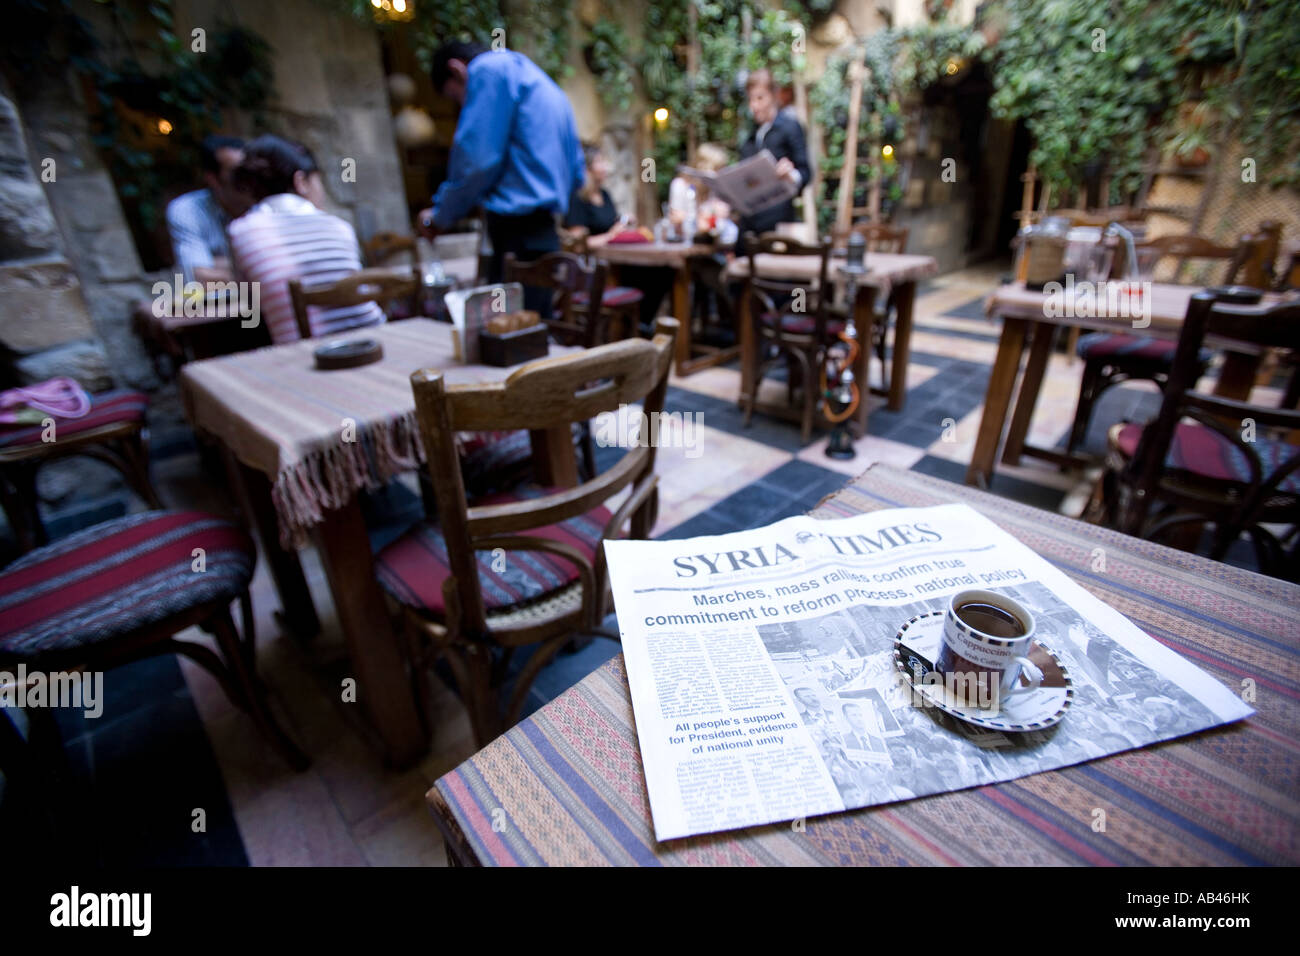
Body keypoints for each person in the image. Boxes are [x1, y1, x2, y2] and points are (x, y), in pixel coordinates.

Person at [417, 41, 584, 317]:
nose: (462, 105)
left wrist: (440, 215)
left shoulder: (489, 70)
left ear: (457, 70)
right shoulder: (547, 86)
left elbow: (477, 160)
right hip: (546, 235)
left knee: (506, 336)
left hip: (513, 237)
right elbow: (577, 174)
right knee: (532, 331)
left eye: (457, 97)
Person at [227, 135, 383, 344]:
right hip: (375, 340)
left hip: (303, 358)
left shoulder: (240, 232)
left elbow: (250, 308)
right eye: (318, 180)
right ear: (301, 182)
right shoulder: (338, 226)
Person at [736, 69, 810, 245]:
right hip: (749, 227)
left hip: (778, 225)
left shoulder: (790, 128)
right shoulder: (750, 137)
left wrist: (791, 174)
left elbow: (806, 172)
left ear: (773, 96)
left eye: (760, 98)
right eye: (751, 99)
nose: (754, 106)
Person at [166, 135, 248, 284]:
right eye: (236, 173)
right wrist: (257, 267)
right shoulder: (186, 209)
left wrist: (216, 263)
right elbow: (199, 278)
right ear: (213, 179)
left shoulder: (265, 201)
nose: (248, 179)